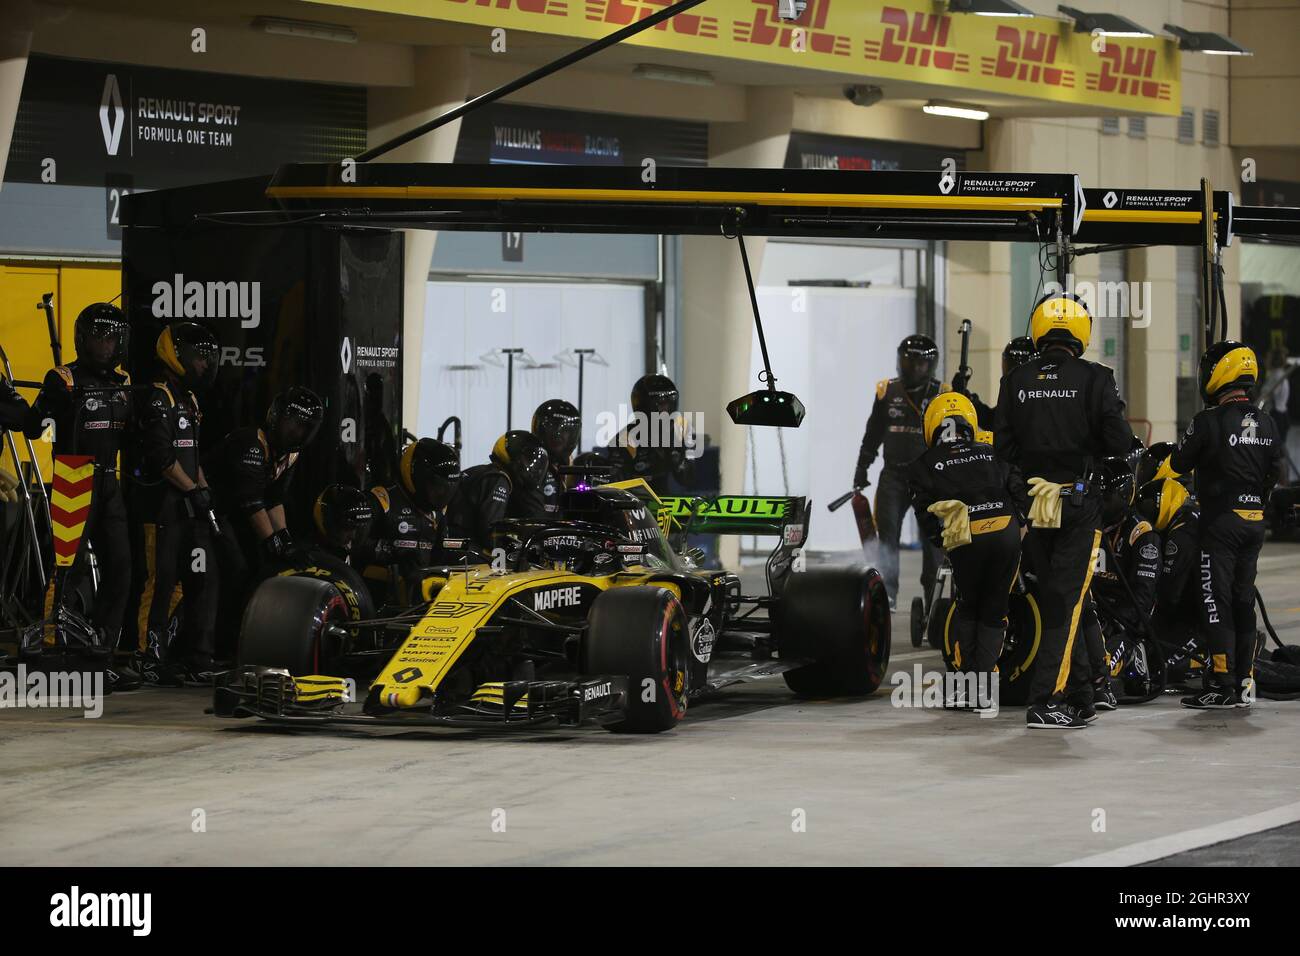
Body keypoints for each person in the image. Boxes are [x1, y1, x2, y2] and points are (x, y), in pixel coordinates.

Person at [994, 293, 1134, 729]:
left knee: (1058, 598)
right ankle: (1046, 700)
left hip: (1037, 504)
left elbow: (1003, 448)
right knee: (1067, 604)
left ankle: (1081, 695)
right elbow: (1120, 442)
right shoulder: (1097, 378)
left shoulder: (1015, 380)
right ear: (1081, 333)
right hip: (1078, 503)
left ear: (1040, 330)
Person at [27, 303, 138, 689]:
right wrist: (54, 408)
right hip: (73, 476)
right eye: (100, 339)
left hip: (110, 481)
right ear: (83, 340)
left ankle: (100, 653)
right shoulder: (63, 378)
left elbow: (132, 434)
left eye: (113, 339)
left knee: (121, 568)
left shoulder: (124, 381)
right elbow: (34, 427)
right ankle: (53, 649)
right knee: (67, 569)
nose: (107, 346)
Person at [1169, 341, 1283, 709]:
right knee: (1243, 600)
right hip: (1254, 523)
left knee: (1214, 600)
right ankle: (1245, 681)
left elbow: (1178, 463)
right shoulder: (1267, 422)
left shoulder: (1208, 420)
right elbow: (1275, 472)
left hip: (1220, 524)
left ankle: (1221, 684)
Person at [908, 392, 1027, 710]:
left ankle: (968, 688)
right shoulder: (993, 450)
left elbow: (928, 518)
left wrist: (945, 543)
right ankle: (983, 690)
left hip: (966, 539)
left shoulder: (922, 465)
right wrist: (1018, 523)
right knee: (994, 611)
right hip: (1005, 532)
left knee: (969, 608)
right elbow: (1019, 490)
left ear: (931, 426)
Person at [205, 385, 324, 659]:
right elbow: (252, 502)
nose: (298, 433)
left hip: (238, 516)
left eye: (305, 428)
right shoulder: (252, 444)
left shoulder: (291, 455)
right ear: (275, 418)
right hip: (211, 512)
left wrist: (286, 541)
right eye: (293, 424)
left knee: (261, 569)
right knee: (235, 572)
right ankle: (218, 646)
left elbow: (274, 499)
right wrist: (274, 542)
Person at [134, 322, 221, 685]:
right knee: (161, 581)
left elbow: (191, 456)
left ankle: (183, 656)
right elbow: (162, 459)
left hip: (189, 506)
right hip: (162, 507)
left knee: (193, 582)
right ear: (175, 356)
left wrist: (203, 489)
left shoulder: (190, 400)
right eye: (199, 358)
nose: (205, 365)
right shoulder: (160, 399)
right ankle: (148, 657)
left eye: (207, 358)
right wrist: (191, 490)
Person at [853, 334, 948, 610]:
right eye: (908, 361)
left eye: (920, 363)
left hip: (929, 480)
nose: (913, 368)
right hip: (893, 477)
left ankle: (932, 597)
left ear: (930, 365)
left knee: (933, 542)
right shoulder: (887, 391)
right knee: (887, 536)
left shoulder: (943, 393)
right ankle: (888, 594)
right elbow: (872, 434)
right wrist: (861, 467)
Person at [1080, 457, 1161, 710]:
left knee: (1102, 663)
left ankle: (1111, 677)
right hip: (1095, 611)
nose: (1098, 502)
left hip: (1127, 619)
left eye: (1104, 497)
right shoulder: (1087, 526)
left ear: (1124, 495)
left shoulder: (1141, 533)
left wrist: (1122, 623)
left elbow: (1144, 597)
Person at [364, 438, 462, 596]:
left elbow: (441, 555)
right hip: (379, 593)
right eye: (437, 487)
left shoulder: (439, 512)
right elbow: (356, 548)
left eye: (447, 488)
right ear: (417, 476)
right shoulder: (382, 500)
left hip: (421, 597)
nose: (442, 494)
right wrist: (393, 555)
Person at [1135, 476, 1202, 685]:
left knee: (1159, 667)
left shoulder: (1181, 533)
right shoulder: (1192, 517)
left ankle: (1213, 656)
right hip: (1211, 609)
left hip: (1201, 619)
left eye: (1148, 507)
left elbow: (1170, 594)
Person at [445, 430, 548, 553]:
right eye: (527, 459)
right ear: (514, 455)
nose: (531, 467)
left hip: (453, 544)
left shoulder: (483, 472)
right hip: (465, 551)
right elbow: (491, 533)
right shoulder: (499, 479)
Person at [295, 482, 377, 621]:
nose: (353, 536)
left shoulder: (351, 548)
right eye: (347, 528)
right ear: (330, 522)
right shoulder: (307, 557)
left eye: (357, 529)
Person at [607, 374, 694, 492]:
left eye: (668, 404)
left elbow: (689, 478)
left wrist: (676, 459)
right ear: (643, 405)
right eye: (660, 404)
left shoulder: (683, 431)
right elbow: (615, 483)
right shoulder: (624, 439)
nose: (665, 411)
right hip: (637, 500)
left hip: (672, 500)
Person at [958, 336, 1036, 429]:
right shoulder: (1012, 397)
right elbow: (992, 420)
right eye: (1009, 366)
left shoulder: (1036, 400)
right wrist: (967, 398)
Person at [522, 399, 580, 517]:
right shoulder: (526, 463)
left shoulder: (572, 468)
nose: (558, 434)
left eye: (565, 430)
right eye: (552, 427)